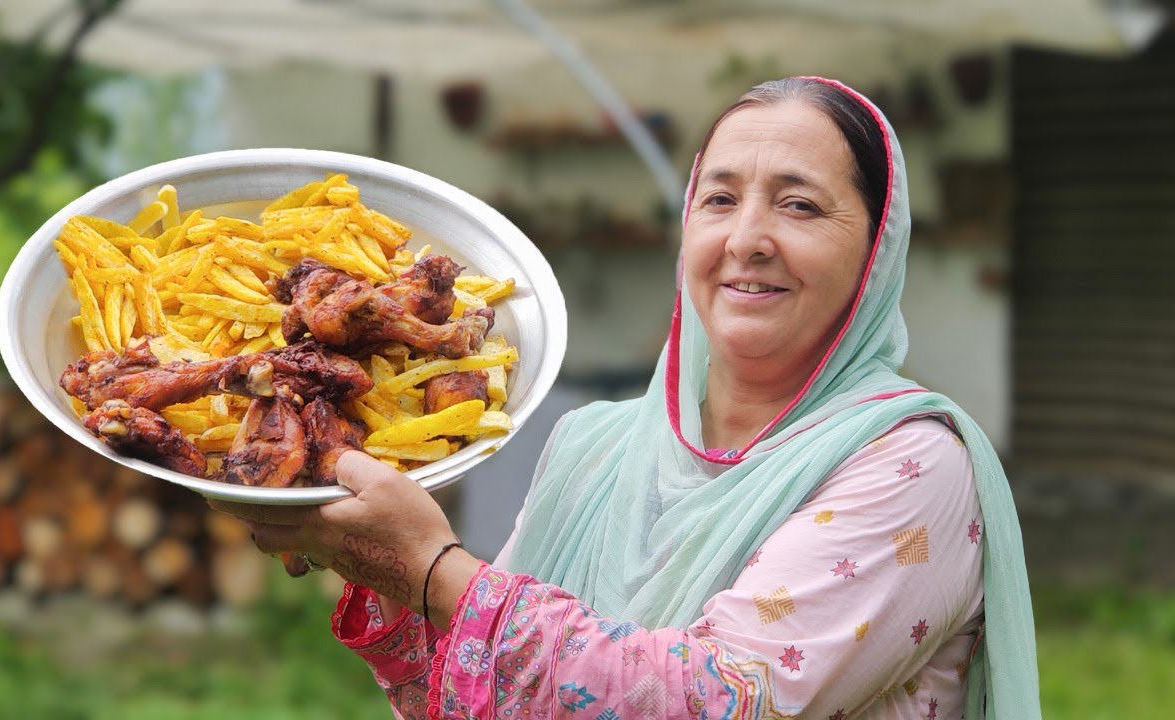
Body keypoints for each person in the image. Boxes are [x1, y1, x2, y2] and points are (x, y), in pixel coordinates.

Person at [212, 76, 1041, 719]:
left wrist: (434, 571)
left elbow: (716, 702)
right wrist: (379, 568)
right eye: (718, 199)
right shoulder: (596, 446)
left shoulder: (911, 466)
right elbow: (482, 690)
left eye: (799, 204)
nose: (746, 238)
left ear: (875, 255)